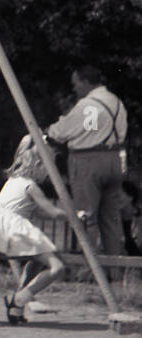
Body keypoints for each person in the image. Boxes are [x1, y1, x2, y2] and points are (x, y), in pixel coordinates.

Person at [45, 65, 129, 257]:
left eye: (76, 83)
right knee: (110, 218)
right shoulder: (117, 103)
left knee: (85, 215)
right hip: (114, 159)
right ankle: (113, 269)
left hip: (87, 160)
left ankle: (87, 270)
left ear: (85, 82)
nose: (75, 88)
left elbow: (63, 131)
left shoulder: (87, 105)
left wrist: (48, 131)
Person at [0, 139, 70, 323]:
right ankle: (18, 299)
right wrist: (75, 216)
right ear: (39, 164)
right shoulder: (30, 186)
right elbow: (53, 212)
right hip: (15, 227)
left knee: (37, 262)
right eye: (47, 169)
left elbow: (40, 213)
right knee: (57, 267)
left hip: (2, 225)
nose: (48, 174)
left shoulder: (13, 181)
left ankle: (17, 308)